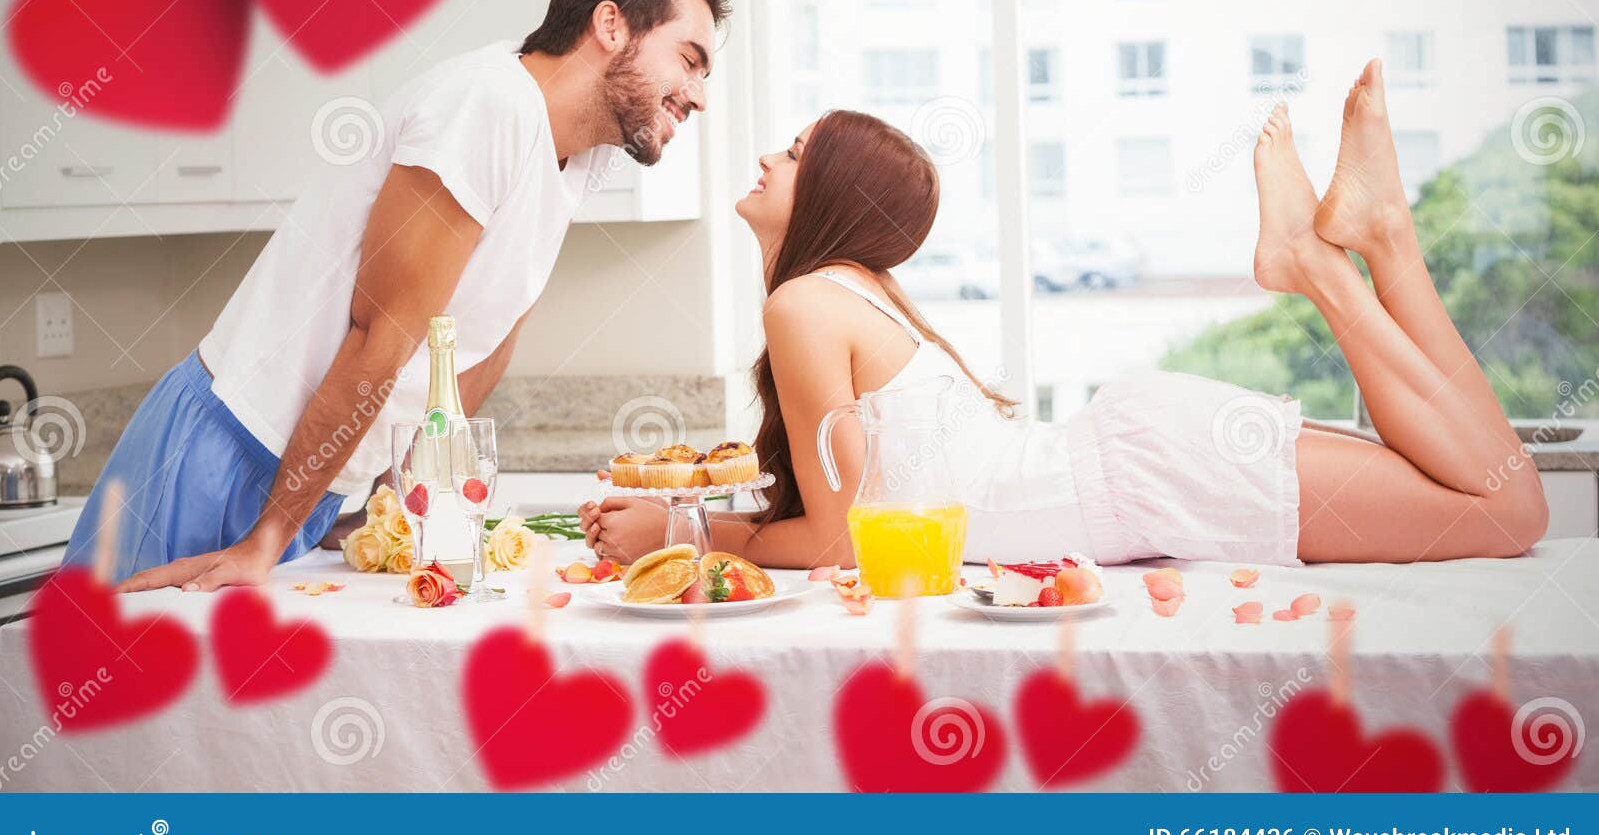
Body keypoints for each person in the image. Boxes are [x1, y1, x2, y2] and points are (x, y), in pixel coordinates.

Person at [584, 60, 1548, 568]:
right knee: (1496, 495)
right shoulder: (844, 297)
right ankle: (1382, 243)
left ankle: (1333, 260)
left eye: (793, 152)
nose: (765, 158)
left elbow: (835, 543)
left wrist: (684, 533)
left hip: (1145, 472)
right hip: (1144, 461)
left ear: (830, 193)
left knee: (1509, 508)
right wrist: (684, 515)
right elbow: (844, 511)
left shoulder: (806, 301)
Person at [71, 0, 730, 590]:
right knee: (104, 683)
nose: (698, 96)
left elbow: (482, 343)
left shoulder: (580, 158)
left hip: (307, 486)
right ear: (611, 25)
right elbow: (380, 334)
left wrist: (402, 493)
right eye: (690, 60)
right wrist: (267, 537)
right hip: (226, 447)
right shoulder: (488, 103)